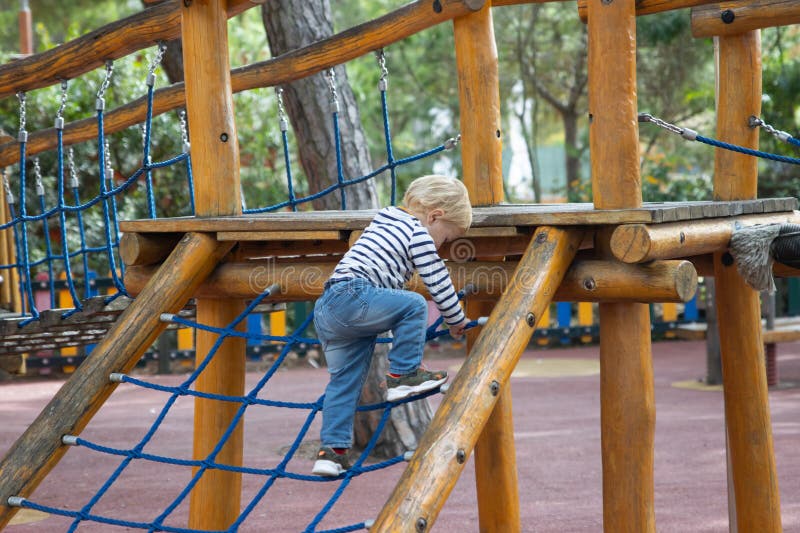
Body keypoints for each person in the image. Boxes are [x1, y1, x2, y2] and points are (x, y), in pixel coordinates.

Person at [311, 174, 472, 477]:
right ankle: (404, 374)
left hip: (329, 309)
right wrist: (456, 319)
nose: (442, 246)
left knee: (345, 383)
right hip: (354, 297)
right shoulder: (418, 232)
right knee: (413, 303)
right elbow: (436, 279)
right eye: (447, 238)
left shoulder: (385, 219)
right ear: (434, 216)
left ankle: (331, 453)